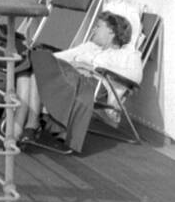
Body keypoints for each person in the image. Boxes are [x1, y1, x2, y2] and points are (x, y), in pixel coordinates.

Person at [15, 12, 140, 150]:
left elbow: (135, 76)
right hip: (70, 77)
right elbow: (61, 56)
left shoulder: (127, 54)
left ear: (111, 31)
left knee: (37, 67)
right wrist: (39, 57)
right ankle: (24, 127)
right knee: (34, 65)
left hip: (90, 86)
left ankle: (22, 127)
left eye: (98, 26)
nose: (94, 29)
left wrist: (93, 67)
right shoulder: (89, 46)